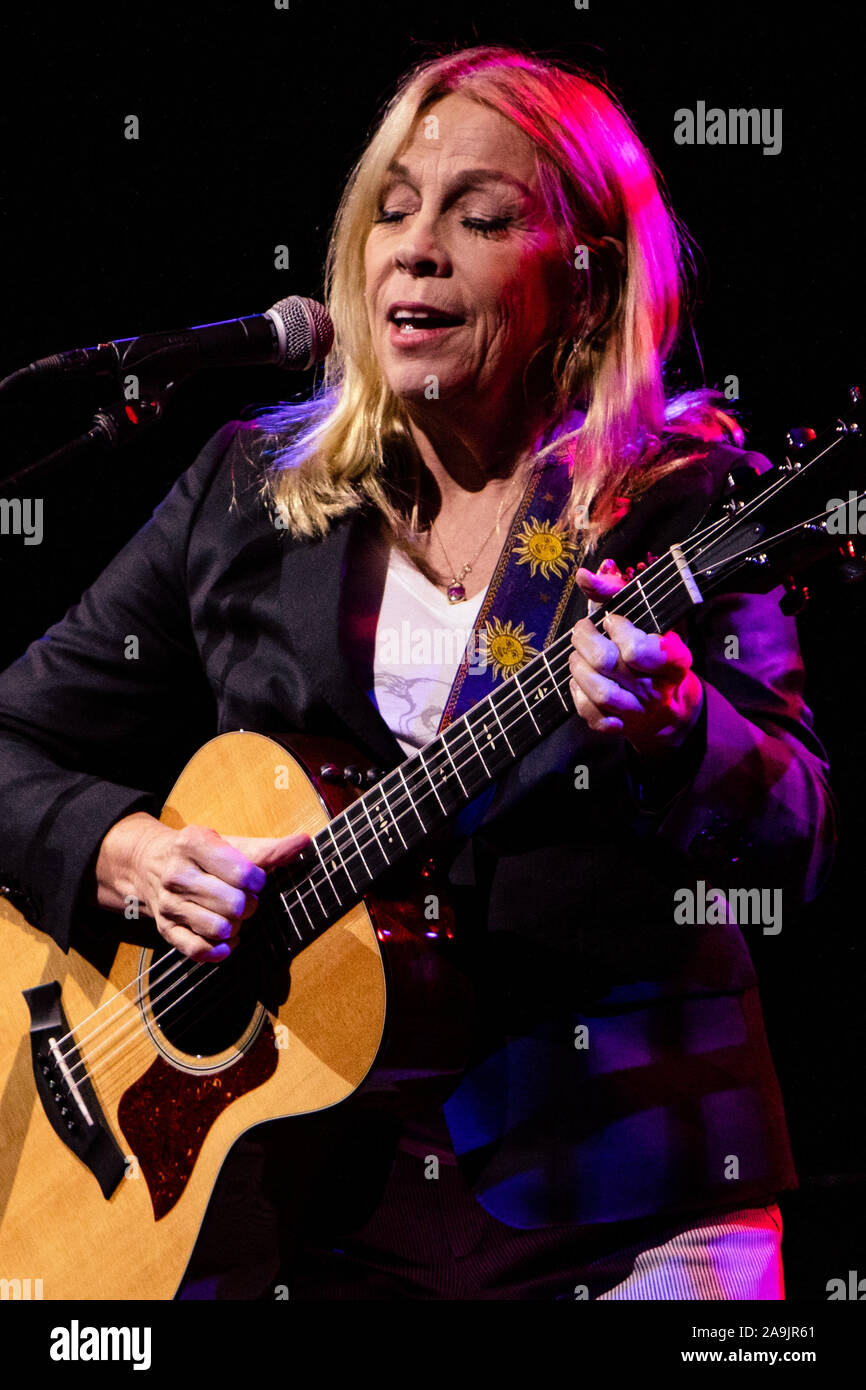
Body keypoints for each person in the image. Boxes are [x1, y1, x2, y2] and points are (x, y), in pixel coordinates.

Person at [0, 45, 837, 1300]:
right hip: (304, 1206)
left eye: (479, 216)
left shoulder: (676, 505)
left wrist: (672, 733)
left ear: (587, 272)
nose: (416, 246)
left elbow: (799, 834)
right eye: (392, 207)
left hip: (625, 1203)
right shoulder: (250, 494)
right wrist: (123, 853)